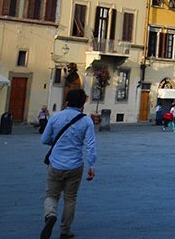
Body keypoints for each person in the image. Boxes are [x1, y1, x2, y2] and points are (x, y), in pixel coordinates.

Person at [40, 88, 96, 239]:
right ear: (83, 103)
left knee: (51, 195)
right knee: (70, 198)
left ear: (66, 101)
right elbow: (90, 146)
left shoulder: (55, 117)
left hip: (56, 163)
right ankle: (65, 230)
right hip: (75, 165)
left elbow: (45, 139)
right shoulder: (86, 121)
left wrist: (59, 144)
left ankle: (50, 215)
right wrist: (92, 166)